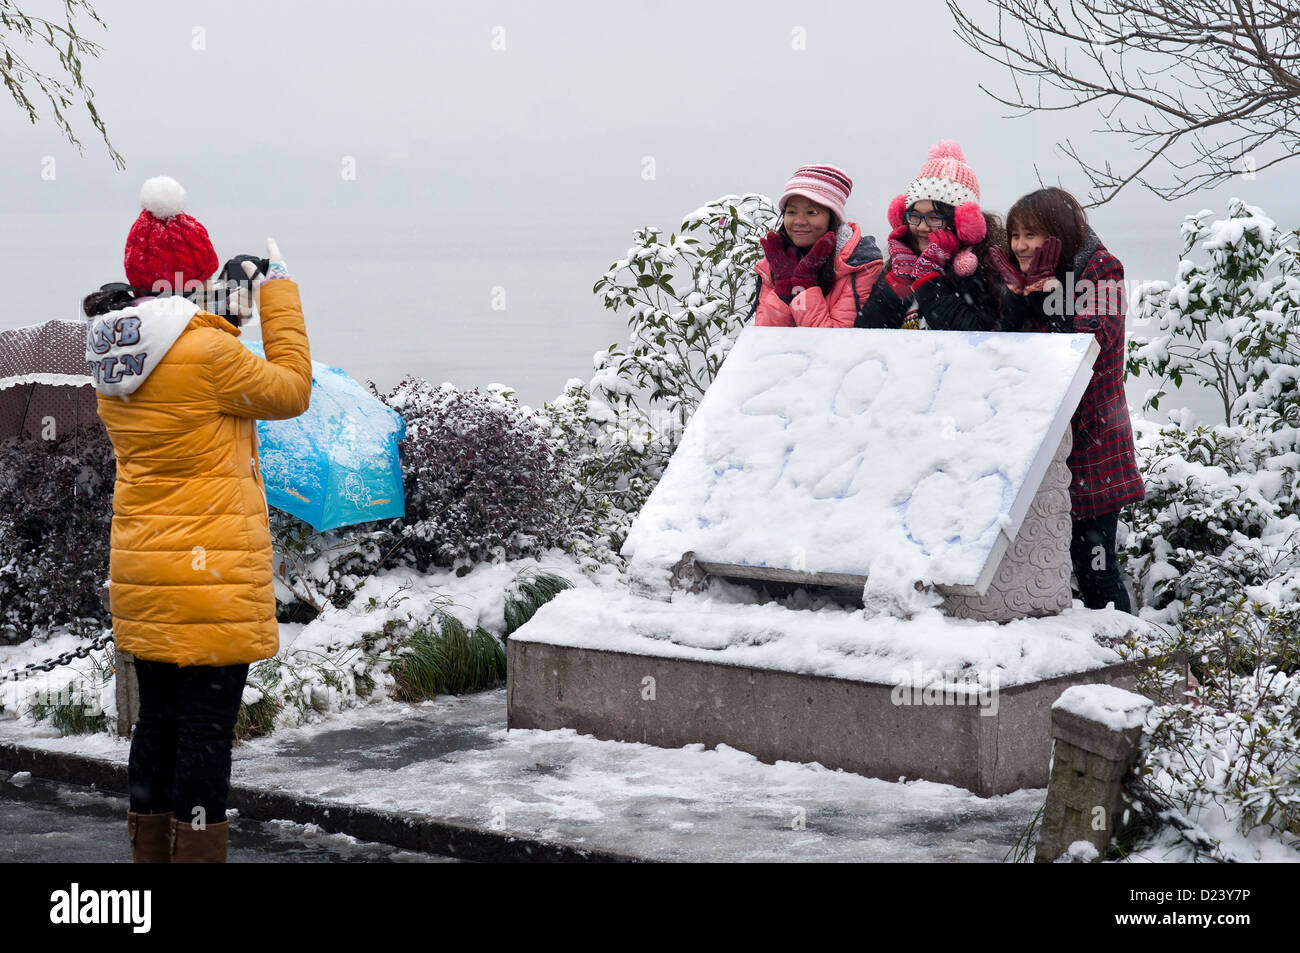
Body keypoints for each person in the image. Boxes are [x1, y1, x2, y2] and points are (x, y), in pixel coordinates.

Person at [84, 176, 312, 862]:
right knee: (207, 730)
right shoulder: (211, 353)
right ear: (196, 278)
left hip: (147, 569)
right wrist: (278, 292)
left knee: (157, 722)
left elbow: (180, 346)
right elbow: (292, 387)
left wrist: (215, 312)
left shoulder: (112, 351)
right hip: (210, 574)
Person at [990, 186, 1143, 613]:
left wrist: (1045, 298)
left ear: (1058, 233)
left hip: (1093, 443)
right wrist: (1019, 301)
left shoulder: (1103, 271)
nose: (1020, 245)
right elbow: (1005, 348)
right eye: (1015, 235)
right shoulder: (1019, 280)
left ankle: (1122, 659)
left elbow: (1087, 344)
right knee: (1046, 566)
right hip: (1040, 438)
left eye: (1032, 234)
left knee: (1095, 568)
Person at [855, 140, 1005, 331]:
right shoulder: (902, 262)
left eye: (934, 217)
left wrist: (928, 280)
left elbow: (975, 334)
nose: (922, 227)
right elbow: (865, 332)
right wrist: (899, 283)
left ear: (962, 221)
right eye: (915, 216)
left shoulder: (985, 267)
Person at [752, 164, 883, 328]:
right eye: (791, 212)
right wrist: (785, 289)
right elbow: (766, 339)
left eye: (811, 212)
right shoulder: (775, 263)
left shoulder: (858, 264)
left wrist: (803, 286)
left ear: (832, 216)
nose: (799, 221)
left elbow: (836, 343)